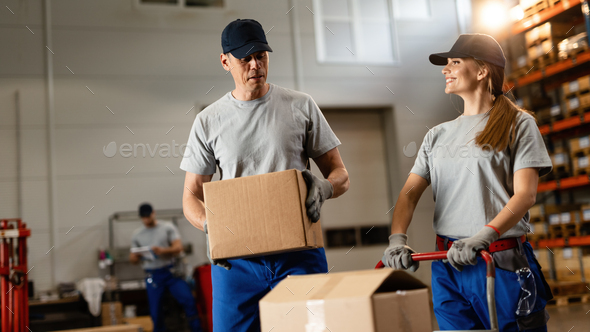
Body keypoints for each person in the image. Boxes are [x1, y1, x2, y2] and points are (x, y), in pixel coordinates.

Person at [180, 18, 349, 332]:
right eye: (245, 59)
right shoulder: (209, 121)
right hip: (236, 263)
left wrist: (324, 189)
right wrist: (211, 227)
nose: (255, 65)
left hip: (299, 256)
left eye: (261, 56)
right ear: (225, 61)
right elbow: (191, 195)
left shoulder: (301, 106)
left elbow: (341, 174)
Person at [381, 34, 553, 331]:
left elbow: (525, 195)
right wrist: (397, 240)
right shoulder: (437, 135)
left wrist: (483, 236)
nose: (445, 69)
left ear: (483, 70)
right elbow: (409, 195)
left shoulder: (519, 124)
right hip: (448, 265)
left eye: (455, 62)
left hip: (498, 262)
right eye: (445, 64)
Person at [130, 203, 203, 332]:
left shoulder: (167, 228)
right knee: (156, 311)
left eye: (148, 216)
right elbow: (132, 259)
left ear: (153, 213)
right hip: (153, 276)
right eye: (143, 217)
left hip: (171, 274)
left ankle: (196, 329)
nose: (146, 219)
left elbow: (178, 248)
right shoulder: (137, 235)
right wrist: (138, 256)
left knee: (189, 301)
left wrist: (162, 251)